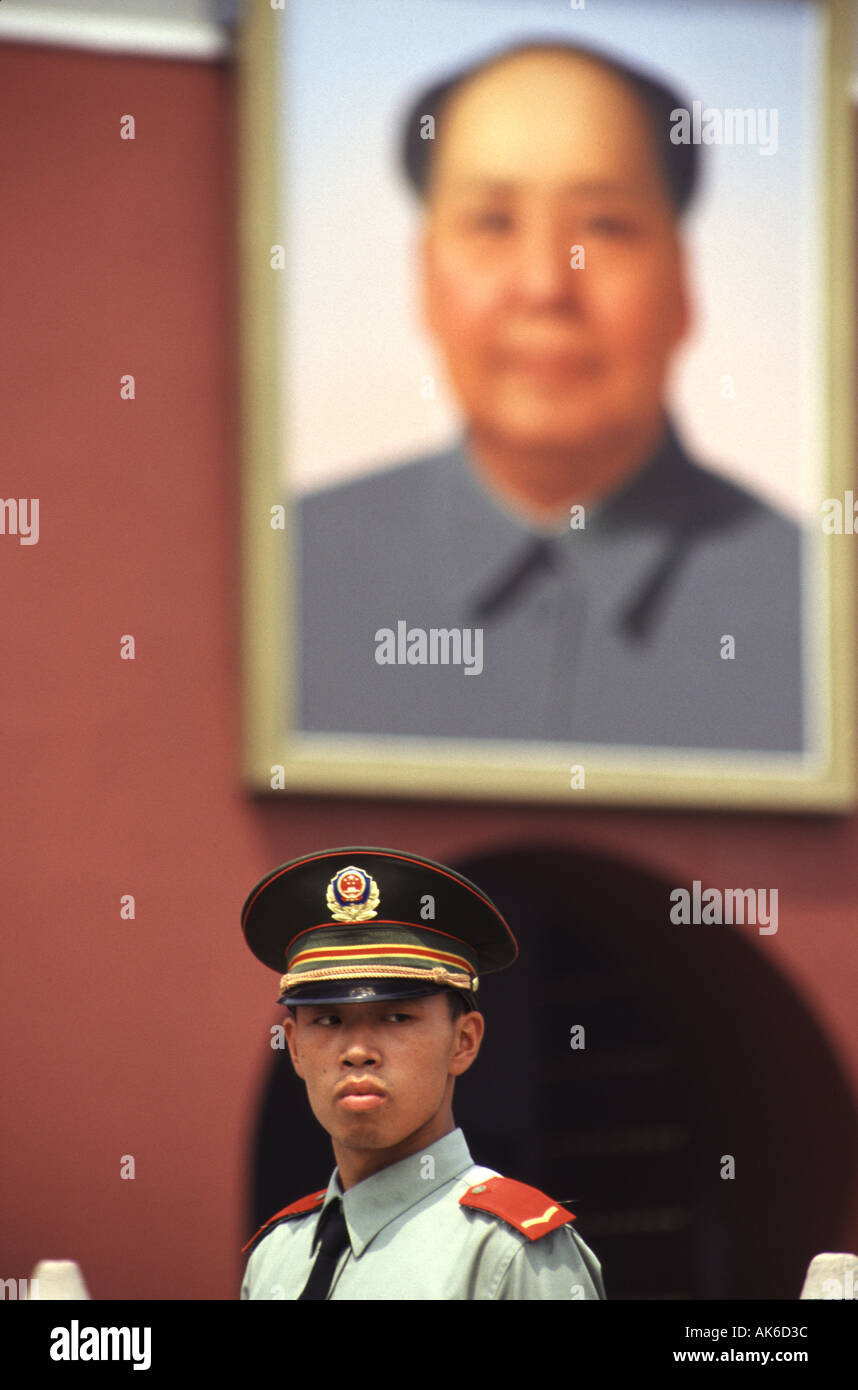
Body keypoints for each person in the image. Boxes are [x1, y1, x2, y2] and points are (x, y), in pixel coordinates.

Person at [296, 39, 803, 752]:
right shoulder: (290, 578)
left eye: (604, 226)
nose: (545, 286)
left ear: (684, 285)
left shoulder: (819, 607)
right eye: (492, 223)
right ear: (425, 276)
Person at [239, 846, 606, 1300]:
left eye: (396, 1018)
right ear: (294, 1047)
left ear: (463, 1041)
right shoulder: (276, 1255)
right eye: (329, 1020)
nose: (357, 1052)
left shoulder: (508, 1254)